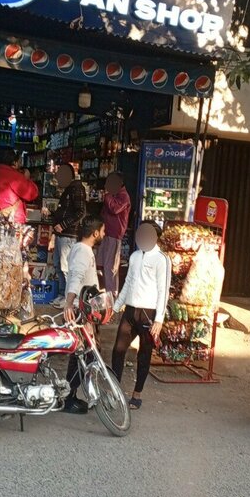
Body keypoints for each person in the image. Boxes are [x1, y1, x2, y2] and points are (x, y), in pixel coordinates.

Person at [111, 220, 171, 410]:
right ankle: (115, 389)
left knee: (144, 355)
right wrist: (116, 306)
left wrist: (159, 320)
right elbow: (128, 282)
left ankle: (137, 394)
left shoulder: (162, 259)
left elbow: (164, 291)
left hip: (149, 314)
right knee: (118, 350)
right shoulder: (135, 256)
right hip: (130, 310)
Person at [62, 216, 105, 414]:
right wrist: (69, 304)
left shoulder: (82, 250)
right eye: (102, 231)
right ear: (95, 233)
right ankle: (68, 397)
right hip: (80, 311)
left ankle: (71, 395)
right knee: (83, 355)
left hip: (84, 310)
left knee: (82, 355)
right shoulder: (83, 250)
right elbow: (76, 278)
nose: (104, 235)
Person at [51, 162, 87, 307]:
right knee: (58, 266)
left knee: (66, 268)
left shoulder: (77, 188)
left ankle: (69, 299)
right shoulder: (68, 189)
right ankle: (62, 295)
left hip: (69, 235)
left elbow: (81, 212)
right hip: (61, 234)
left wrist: (63, 224)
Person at [99, 172, 131, 295]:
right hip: (107, 232)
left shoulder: (123, 196)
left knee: (110, 266)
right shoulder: (115, 194)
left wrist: (107, 195)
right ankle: (106, 291)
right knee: (102, 264)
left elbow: (114, 209)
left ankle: (111, 293)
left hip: (114, 233)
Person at [0, 149, 39, 224]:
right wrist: (27, 179)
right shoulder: (15, 176)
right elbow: (32, 194)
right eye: (19, 162)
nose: (20, 165)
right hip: (13, 219)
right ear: (15, 163)